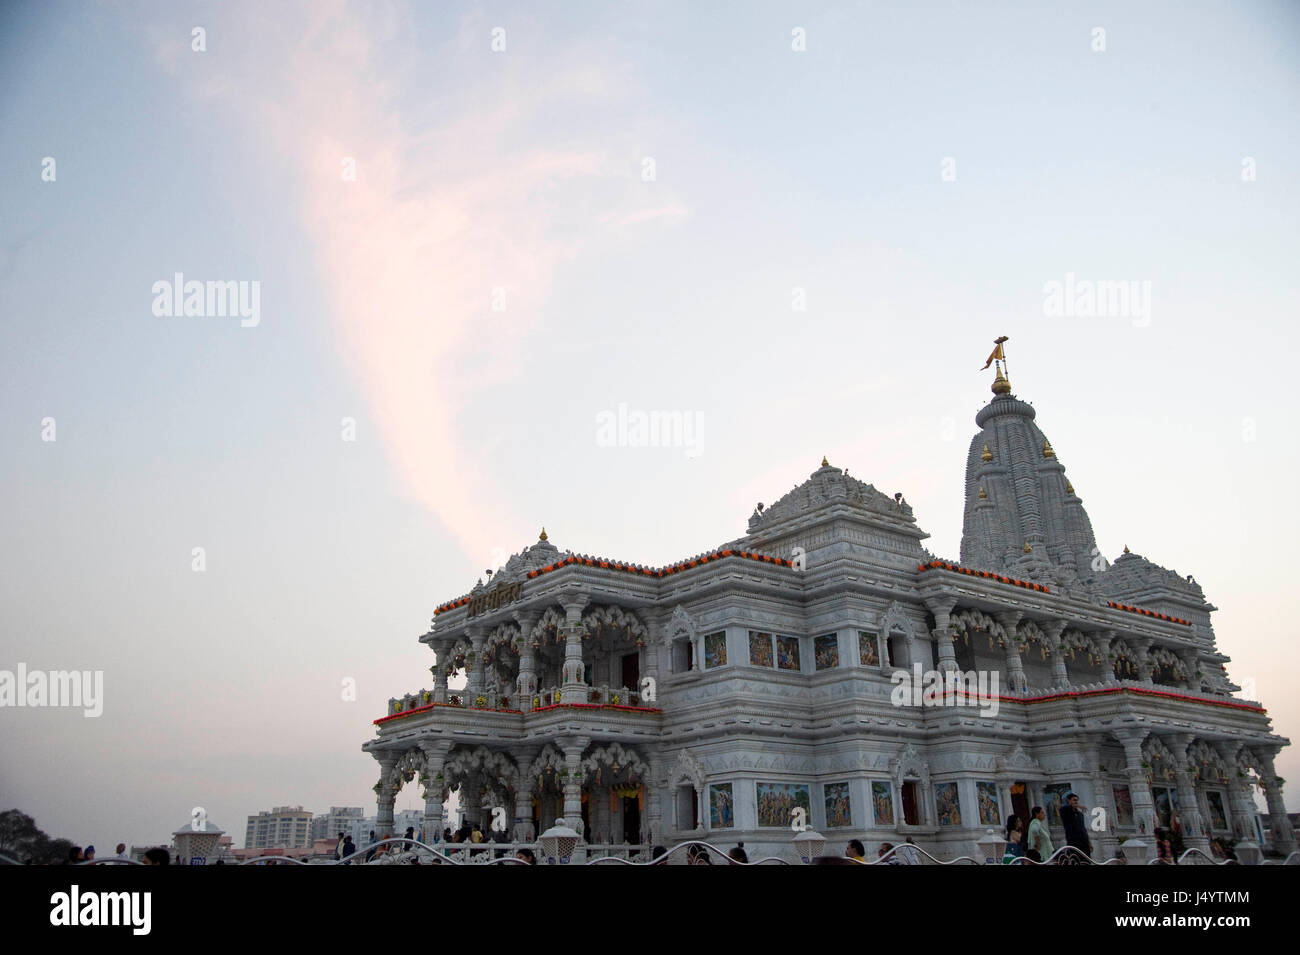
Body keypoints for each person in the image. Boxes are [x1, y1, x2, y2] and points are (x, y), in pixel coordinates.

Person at [1059, 792, 1092, 862]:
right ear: (1068, 801)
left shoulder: (1080, 814)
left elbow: (1083, 828)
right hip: (1073, 842)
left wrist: (1089, 842)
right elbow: (1064, 808)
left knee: (1086, 861)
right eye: (1074, 800)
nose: (1076, 802)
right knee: (1076, 860)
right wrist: (1079, 806)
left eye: (1077, 800)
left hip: (1084, 842)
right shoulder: (1064, 811)